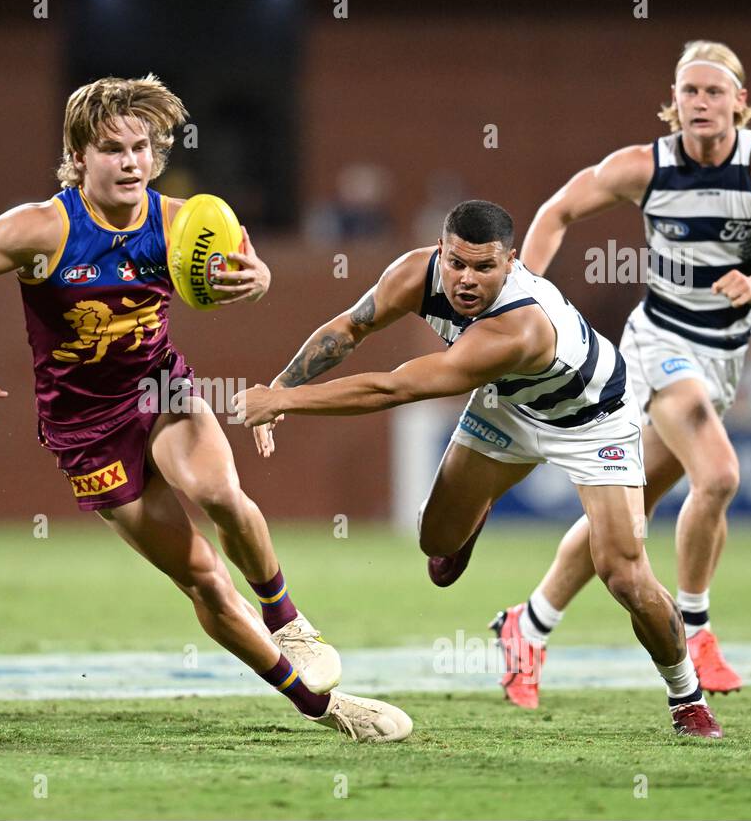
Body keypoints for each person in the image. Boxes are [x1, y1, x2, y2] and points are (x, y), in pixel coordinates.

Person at [0, 74, 410, 742]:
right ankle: (324, 708)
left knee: (220, 490)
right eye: (113, 149)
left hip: (161, 389)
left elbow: (246, 267)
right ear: (78, 157)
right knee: (204, 577)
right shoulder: (42, 228)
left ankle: (289, 619)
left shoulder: (181, 220)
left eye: (142, 148)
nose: (130, 163)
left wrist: (259, 279)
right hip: (86, 429)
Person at [236, 200, 722, 737]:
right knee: (435, 543)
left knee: (624, 574)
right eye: (456, 263)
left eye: (484, 268)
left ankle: (687, 696)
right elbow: (349, 330)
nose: (466, 280)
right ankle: (475, 512)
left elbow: (396, 387)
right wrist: (281, 386)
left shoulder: (519, 326)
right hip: (508, 404)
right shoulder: (414, 272)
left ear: (511, 262)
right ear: (441, 251)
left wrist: (289, 404)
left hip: (591, 420)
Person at [499, 40, 751, 706]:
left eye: (714, 91)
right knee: (721, 473)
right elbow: (557, 211)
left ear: (741, 103)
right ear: (673, 104)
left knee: (627, 514)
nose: (701, 102)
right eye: (689, 91)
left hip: (722, 355)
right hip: (659, 343)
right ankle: (696, 630)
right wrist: (524, 293)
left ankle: (526, 625)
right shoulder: (644, 166)